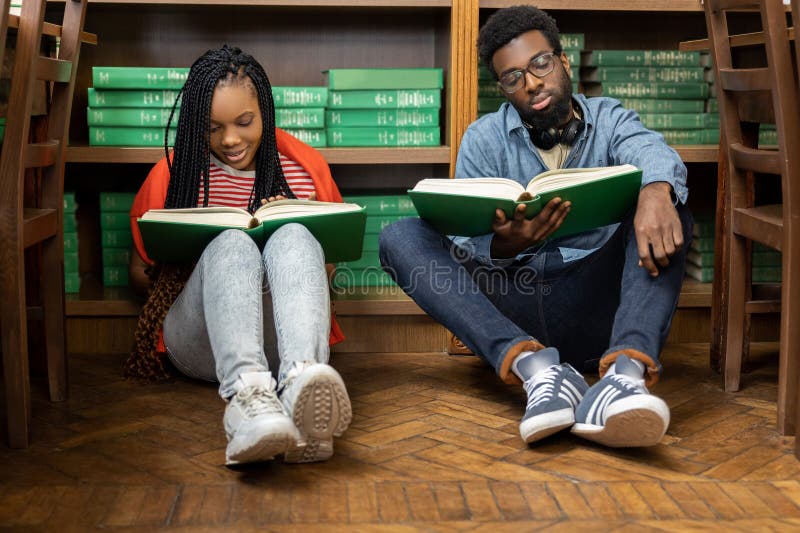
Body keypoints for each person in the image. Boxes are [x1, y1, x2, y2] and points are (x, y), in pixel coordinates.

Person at [380, 6, 693, 448]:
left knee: (671, 208)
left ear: (563, 61)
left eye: (539, 64)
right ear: (504, 88)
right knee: (399, 237)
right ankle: (539, 372)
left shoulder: (609, 118)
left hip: (595, 300)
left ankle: (623, 379)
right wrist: (504, 245)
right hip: (515, 299)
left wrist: (656, 191)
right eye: (512, 78)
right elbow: (460, 241)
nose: (530, 83)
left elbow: (650, 148)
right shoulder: (483, 138)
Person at [126, 45, 351, 465]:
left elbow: (326, 271)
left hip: (282, 342)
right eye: (213, 128)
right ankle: (247, 399)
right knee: (231, 241)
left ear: (265, 112)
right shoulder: (175, 174)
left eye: (244, 122)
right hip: (201, 341)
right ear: (196, 125)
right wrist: (196, 261)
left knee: (295, 232)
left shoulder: (302, 170)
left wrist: (277, 235)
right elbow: (138, 274)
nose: (230, 139)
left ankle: (303, 392)